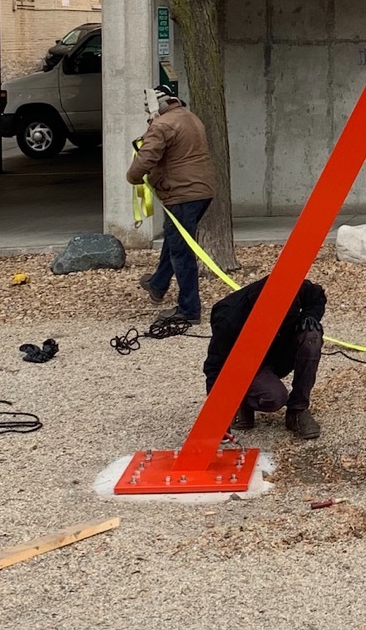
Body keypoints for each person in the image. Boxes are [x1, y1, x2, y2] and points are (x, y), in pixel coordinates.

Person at [127, 89, 216, 325]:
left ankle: (189, 309)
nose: (148, 116)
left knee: (181, 251)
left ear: (156, 107)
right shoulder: (190, 117)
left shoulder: (162, 125)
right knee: (175, 238)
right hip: (201, 191)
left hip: (181, 193)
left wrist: (133, 176)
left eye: (148, 111)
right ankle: (158, 284)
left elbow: (146, 157)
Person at [203, 275, 327, 441]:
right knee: (274, 398)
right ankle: (242, 402)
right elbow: (215, 367)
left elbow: (317, 296)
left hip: (280, 351)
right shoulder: (229, 316)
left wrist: (309, 315)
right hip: (251, 364)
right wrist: (218, 420)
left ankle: (298, 410)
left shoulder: (291, 286)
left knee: (311, 336)